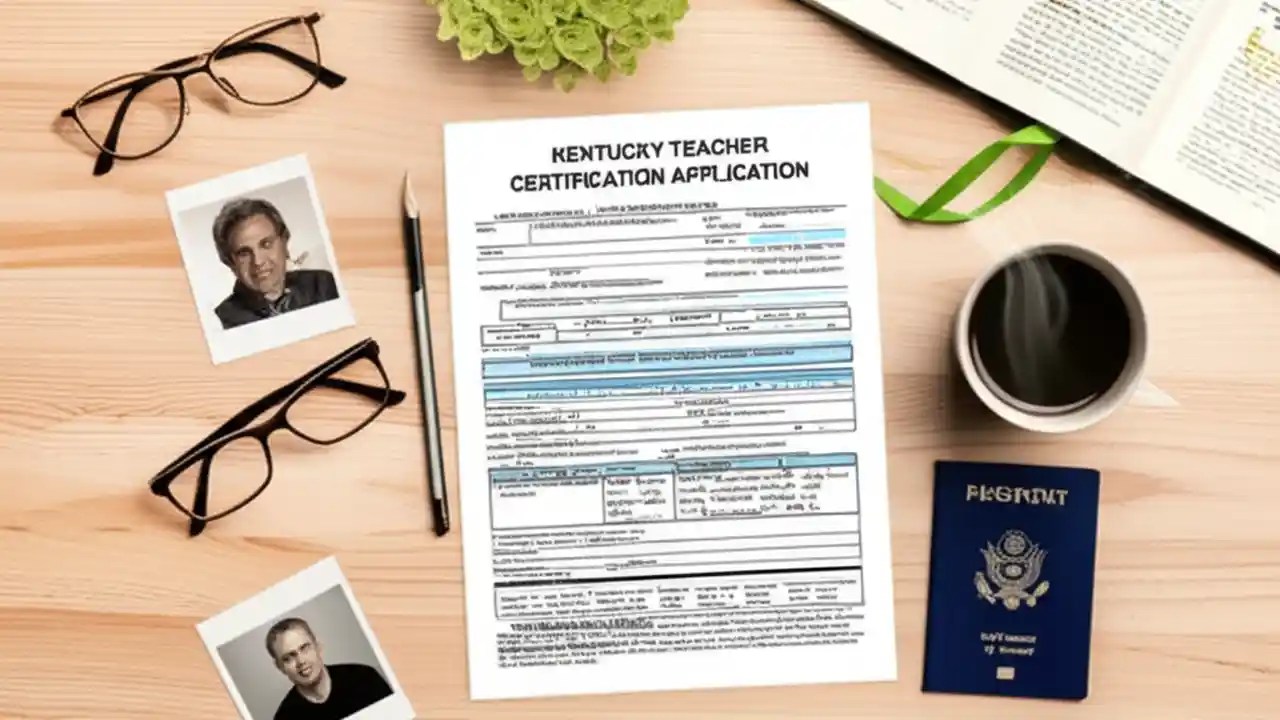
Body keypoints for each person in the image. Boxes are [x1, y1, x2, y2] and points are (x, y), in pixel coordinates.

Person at [211, 197, 339, 330]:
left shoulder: (323, 286)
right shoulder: (220, 322)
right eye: (244, 253)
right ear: (229, 262)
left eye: (266, 244)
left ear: (284, 242)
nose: (258, 262)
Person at [266, 617, 393, 720]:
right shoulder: (284, 717)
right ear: (280, 667)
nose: (301, 661)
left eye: (304, 648)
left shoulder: (365, 678)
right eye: (289, 657)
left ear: (318, 647)